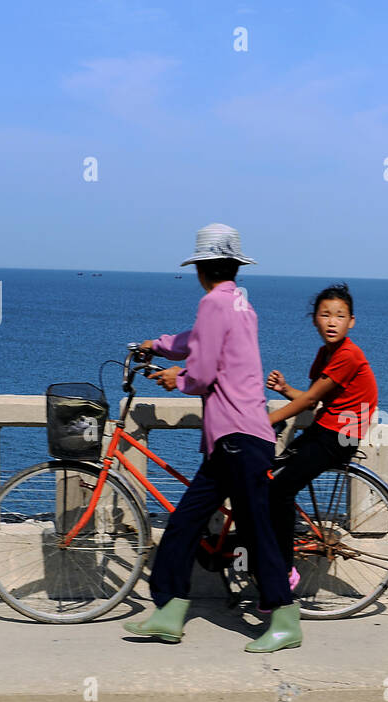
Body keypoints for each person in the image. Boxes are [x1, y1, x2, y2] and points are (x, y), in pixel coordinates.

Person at [123, 223, 302, 653]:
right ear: (233, 267)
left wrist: (175, 378)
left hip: (237, 438)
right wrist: (159, 344)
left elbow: (201, 372)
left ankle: (285, 618)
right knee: (186, 523)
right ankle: (168, 612)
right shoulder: (239, 303)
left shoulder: (212, 304)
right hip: (235, 439)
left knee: (255, 530)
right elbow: (200, 341)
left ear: (201, 268)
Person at [265, 283, 378, 584]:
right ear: (314, 319)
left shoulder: (349, 355)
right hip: (323, 428)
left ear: (351, 321)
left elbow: (311, 401)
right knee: (268, 473)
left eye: (339, 316)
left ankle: (284, 569)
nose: (331, 321)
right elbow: (315, 398)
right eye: (325, 315)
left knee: (280, 490)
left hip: (338, 438)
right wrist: (285, 390)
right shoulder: (325, 353)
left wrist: (266, 420)